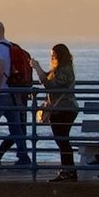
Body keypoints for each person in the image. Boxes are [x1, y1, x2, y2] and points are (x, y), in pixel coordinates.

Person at [0, 21, 32, 167]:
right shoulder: (10, 46)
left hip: (1, 94)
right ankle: (23, 157)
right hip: (12, 93)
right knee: (16, 128)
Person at [42, 44, 80, 181]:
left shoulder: (64, 70)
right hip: (63, 108)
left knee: (62, 140)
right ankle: (68, 170)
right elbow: (49, 79)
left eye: (54, 55)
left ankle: (68, 170)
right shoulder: (61, 69)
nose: (52, 57)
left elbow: (49, 85)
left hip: (64, 109)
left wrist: (37, 69)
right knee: (62, 140)